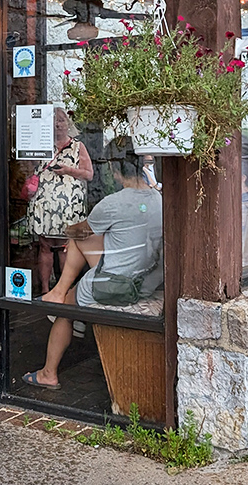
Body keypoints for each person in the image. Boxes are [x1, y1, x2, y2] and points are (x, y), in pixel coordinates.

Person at [23, 139, 163, 390]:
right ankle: (60, 294)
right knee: (84, 240)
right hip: (147, 281)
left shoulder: (113, 203)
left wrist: (70, 233)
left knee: (75, 251)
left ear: (113, 169)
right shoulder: (158, 198)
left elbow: (78, 232)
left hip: (116, 286)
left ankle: (48, 372)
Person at [24, 105, 93, 296]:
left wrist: (69, 170)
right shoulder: (40, 146)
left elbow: (89, 175)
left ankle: (64, 291)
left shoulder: (78, 146)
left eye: (61, 120)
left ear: (67, 123)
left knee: (65, 247)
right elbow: (30, 170)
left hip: (68, 204)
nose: (57, 124)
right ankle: (45, 290)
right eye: (53, 121)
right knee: (45, 246)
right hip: (44, 203)